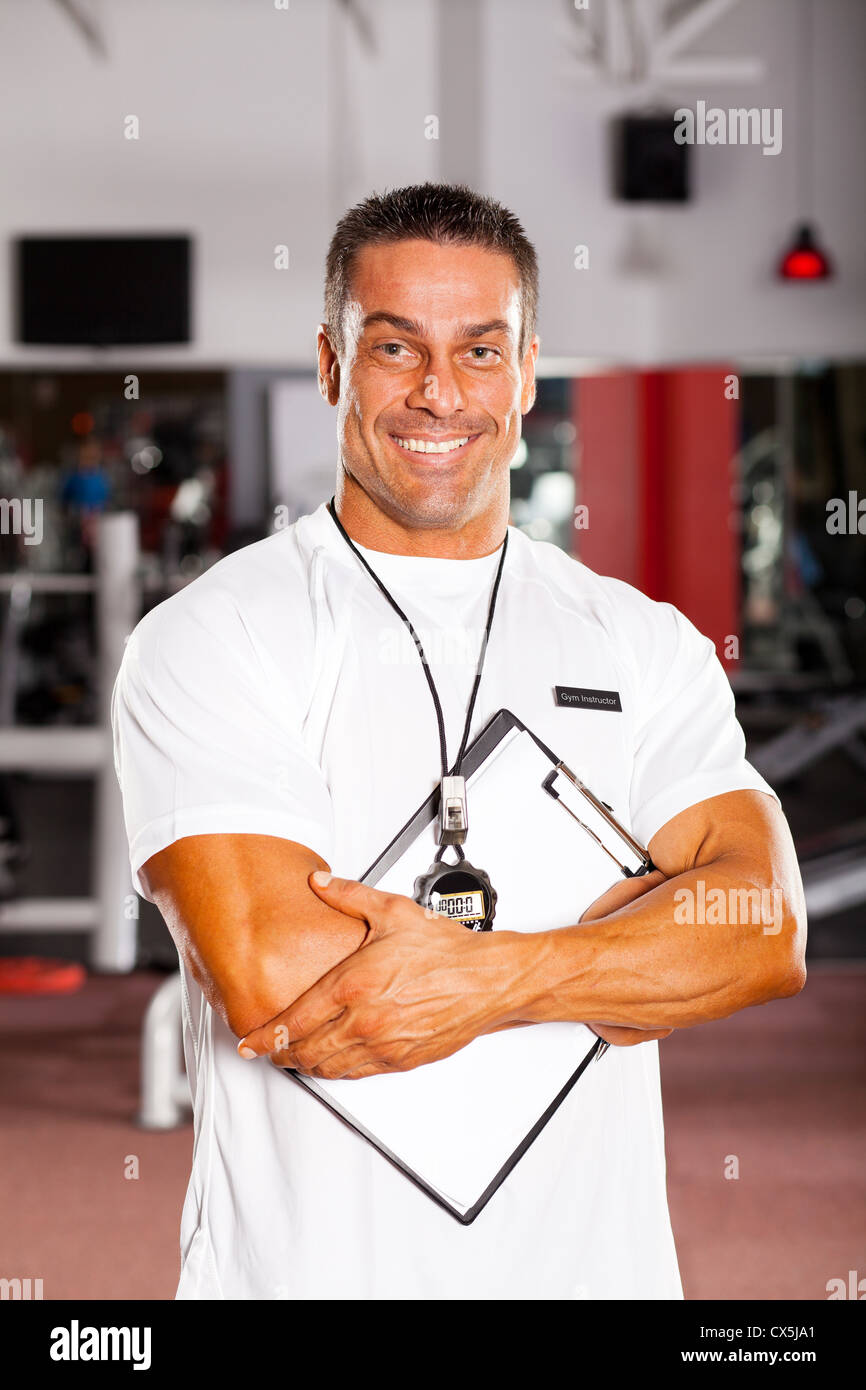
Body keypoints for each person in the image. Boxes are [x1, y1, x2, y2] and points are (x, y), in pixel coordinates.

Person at [111, 182, 807, 1300]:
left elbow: (757, 927)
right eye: (395, 347)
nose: (440, 392)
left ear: (527, 374)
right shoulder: (211, 635)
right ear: (333, 365)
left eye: (480, 351)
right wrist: (624, 955)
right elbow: (282, 980)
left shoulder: (640, 642)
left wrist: (488, 975)